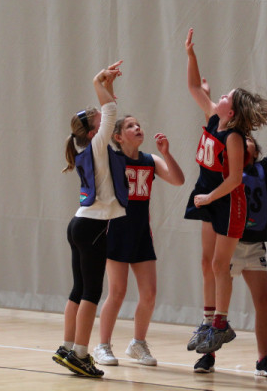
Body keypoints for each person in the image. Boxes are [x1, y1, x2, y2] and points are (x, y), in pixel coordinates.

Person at [182, 28, 267, 371]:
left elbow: (236, 179)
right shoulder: (215, 117)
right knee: (207, 263)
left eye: (226, 96)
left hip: (228, 202)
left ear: (233, 110)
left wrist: (209, 196)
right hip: (211, 199)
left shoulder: (236, 138)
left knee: (219, 265)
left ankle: (220, 323)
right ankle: (210, 321)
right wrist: (191, 55)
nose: (221, 95)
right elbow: (193, 87)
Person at [195, 81, 267, 377]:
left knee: (264, 300)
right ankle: (208, 354)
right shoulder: (227, 169)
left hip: (253, 244)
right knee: (219, 296)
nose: (244, 139)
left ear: (254, 149)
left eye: (249, 139)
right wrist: (208, 97)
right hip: (230, 239)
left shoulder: (263, 169)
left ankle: (263, 359)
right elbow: (214, 126)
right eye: (242, 137)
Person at [52, 60, 127, 378]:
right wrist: (99, 81)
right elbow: (110, 110)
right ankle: (81, 354)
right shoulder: (97, 146)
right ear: (96, 132)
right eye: (101, 122)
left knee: (79, 289)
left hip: (80, 224)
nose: (107, 121)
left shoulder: (90, 147)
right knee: (90, 292)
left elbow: (108, 109)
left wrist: (108, 86)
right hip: (92, 226)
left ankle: (67, 347)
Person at [93, 116, 185, 367]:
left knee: (150, 294)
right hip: (116, 232)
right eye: (130, 126)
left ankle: (137, 344)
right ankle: (102, 346)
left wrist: (166, 153)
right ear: (118, 137)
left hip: (141, 234)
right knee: (117, 292)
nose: (137, 128)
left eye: (138, 125)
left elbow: (178, 180)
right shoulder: (112, 159)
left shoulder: (150, 160)